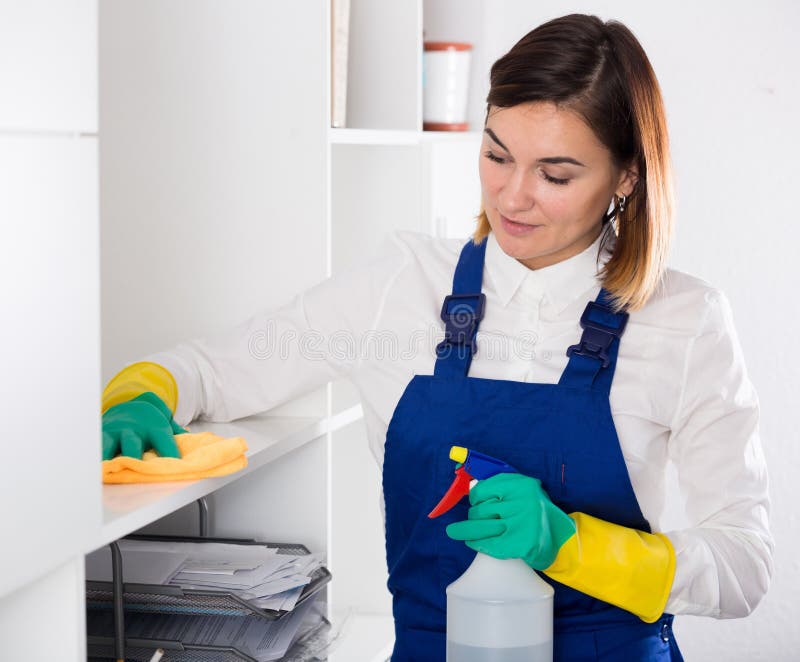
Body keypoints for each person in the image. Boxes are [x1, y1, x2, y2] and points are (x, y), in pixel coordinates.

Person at [101, 13, 773, 661]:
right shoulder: (403, 285)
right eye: (496, 155)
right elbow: (216, 370)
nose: (512, 196)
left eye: (556, 174)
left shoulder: (685, 320)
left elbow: (745, 564)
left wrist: (570, 545)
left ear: (626, 177)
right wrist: (142, 395)